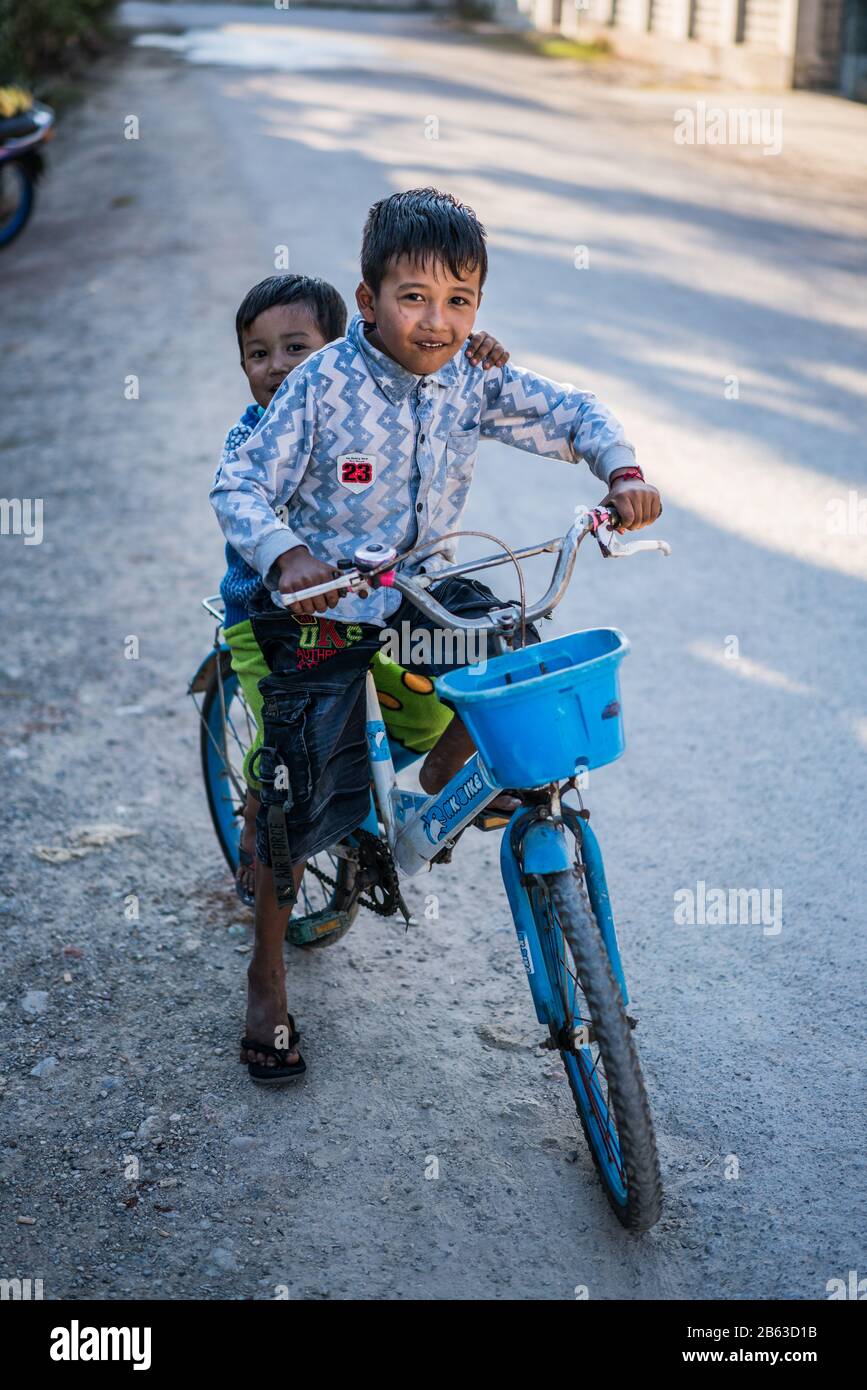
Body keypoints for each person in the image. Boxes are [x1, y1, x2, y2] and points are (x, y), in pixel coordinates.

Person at [210, 188, 662, 1083]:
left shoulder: (470, 377)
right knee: (292, 789)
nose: (438, 319)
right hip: (309, 607)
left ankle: (436, 805)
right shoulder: (321, 384)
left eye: (460, 300)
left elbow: (572, 411)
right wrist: (288, 556)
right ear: (369, 298)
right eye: (414, 297)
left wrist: (623, 471)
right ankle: (267, 979)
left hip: (406, 596)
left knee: (506, 644)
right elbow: (238, 486)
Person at [218, 271, 512, 904]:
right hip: (274, 622)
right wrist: (288, 559)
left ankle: (387, 786)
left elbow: (418, 364)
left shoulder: (359, 411)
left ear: (340, 357)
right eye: (258, 354)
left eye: (298, 348)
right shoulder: (249, 438)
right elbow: (240, 497)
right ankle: (259, 821)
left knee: (437, 704)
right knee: (289, 768)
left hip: (370, 609)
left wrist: (464, 351)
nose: (277, 367)